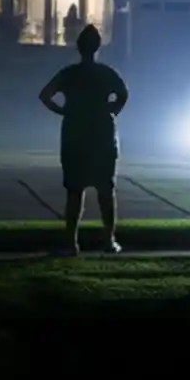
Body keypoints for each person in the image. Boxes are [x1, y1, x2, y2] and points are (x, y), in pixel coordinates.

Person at [38, 24, 129, 255]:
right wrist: (112, 109)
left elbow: (45, 95)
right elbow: (123, 94)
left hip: (75, 133)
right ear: (98, 46)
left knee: (74, 191)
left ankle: (71, 242)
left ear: (78, 47)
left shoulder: (69, 74)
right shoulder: (107, 73)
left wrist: (63, 111)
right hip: (102, 133)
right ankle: (109, 240)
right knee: (106, 190)